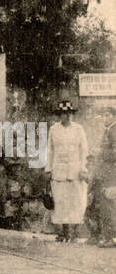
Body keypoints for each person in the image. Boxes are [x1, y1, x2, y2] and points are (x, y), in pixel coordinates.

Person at [46, 99, 89, 242]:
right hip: (59, 171)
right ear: (59, 116)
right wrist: (48, 168)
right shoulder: (54, 129)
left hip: (76, 170)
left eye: (69, 113)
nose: (67, 116)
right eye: (64, 114)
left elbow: (84, 150)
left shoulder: (79, 129)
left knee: (76, 201)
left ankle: (74, 233)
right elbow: (50, 151)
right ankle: (64, 232)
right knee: (60, 202)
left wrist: (83, 168)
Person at [86, 113, 116, 246]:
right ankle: (103, 236)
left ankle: (111, 238)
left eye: (107, 115)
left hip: (110, 174)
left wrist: (100, 152)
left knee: (108, 206)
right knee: (100, 206)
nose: (104, 118)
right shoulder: (107, 131)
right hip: (102, 173)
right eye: (103, 116)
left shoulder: (114, 131)